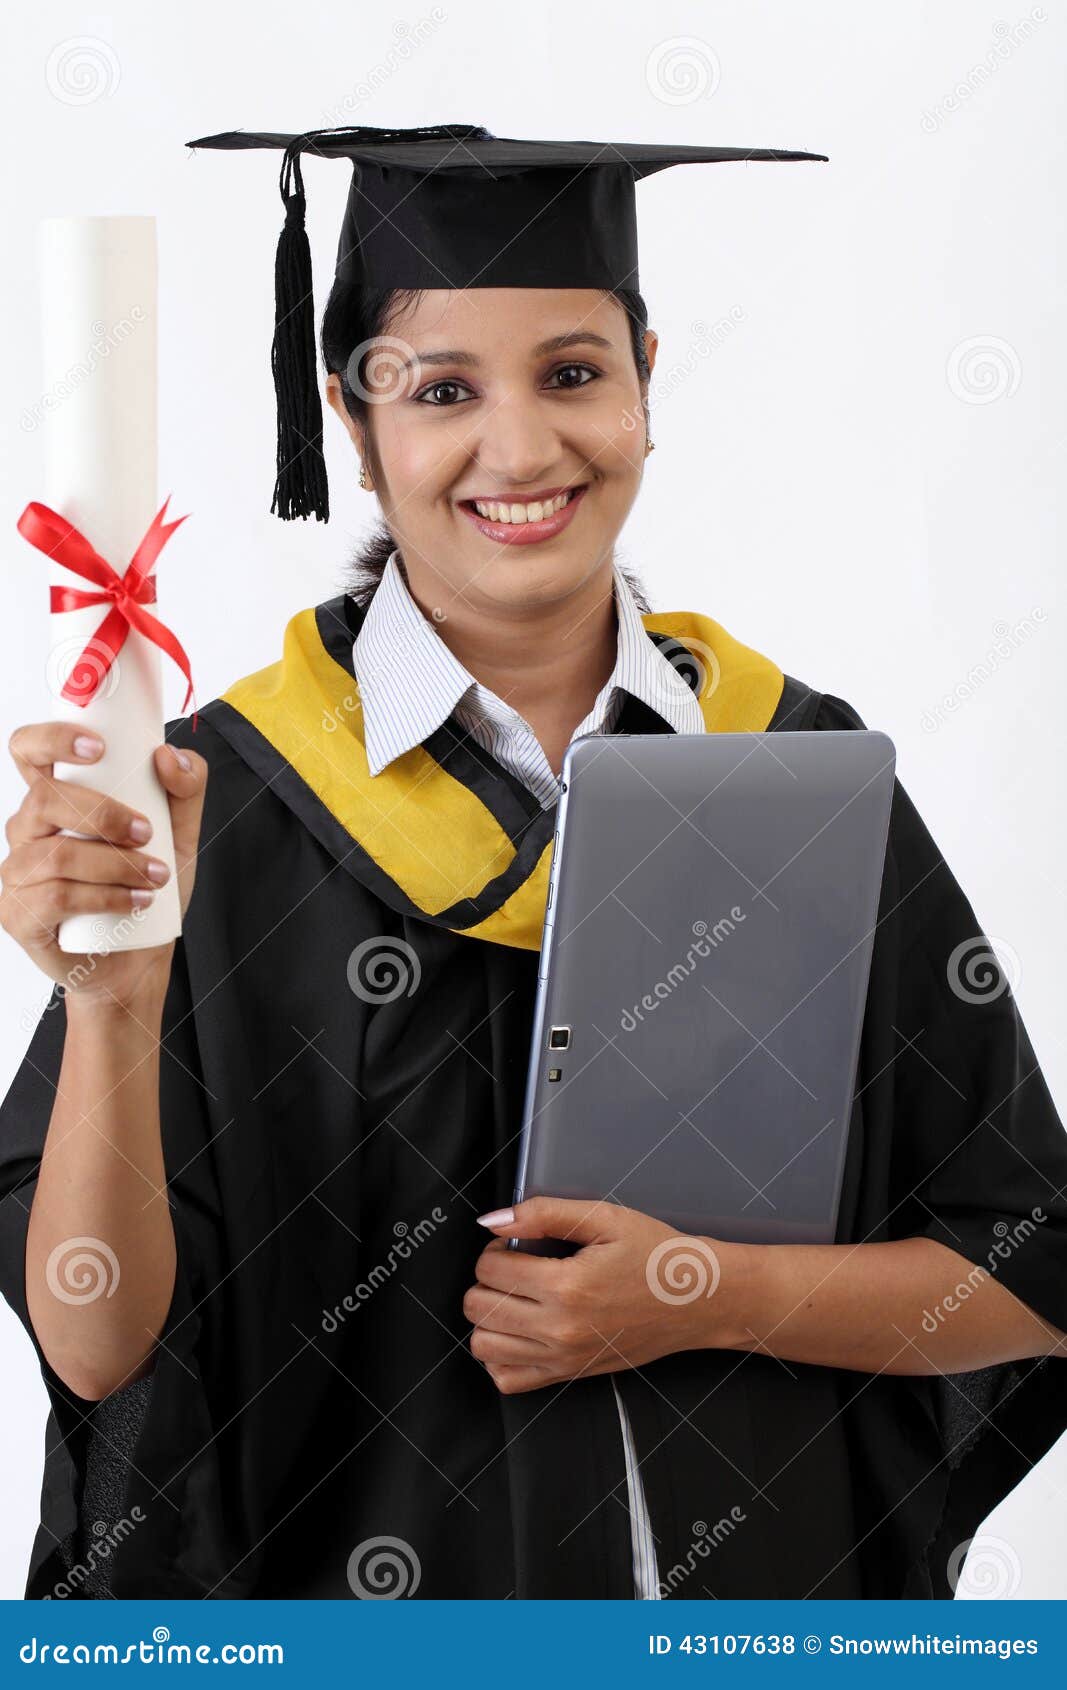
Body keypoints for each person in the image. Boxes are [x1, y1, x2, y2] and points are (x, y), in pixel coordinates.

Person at [1, 123, 1065, 1602]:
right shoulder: (209, 805)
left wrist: (705, 1293)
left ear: (645, 379)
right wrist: (114, 1009)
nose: (521, 447)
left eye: (575, 372)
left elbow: (1030, 1265)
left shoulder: (800, 779)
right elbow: (98, 1342)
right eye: (441, 390)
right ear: (349, 425)